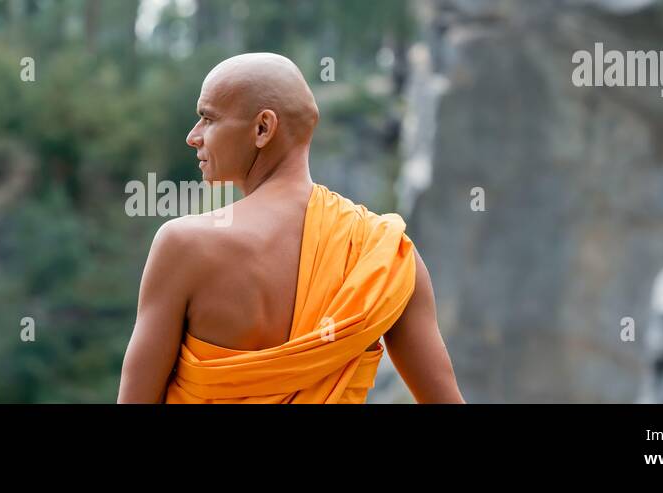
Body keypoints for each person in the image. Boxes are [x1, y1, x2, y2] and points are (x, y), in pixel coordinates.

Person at [118, 53, 464, 404]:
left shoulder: (183, 246)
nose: (194, 136)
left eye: (208, 118)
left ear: (263, 129)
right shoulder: (383, 254)